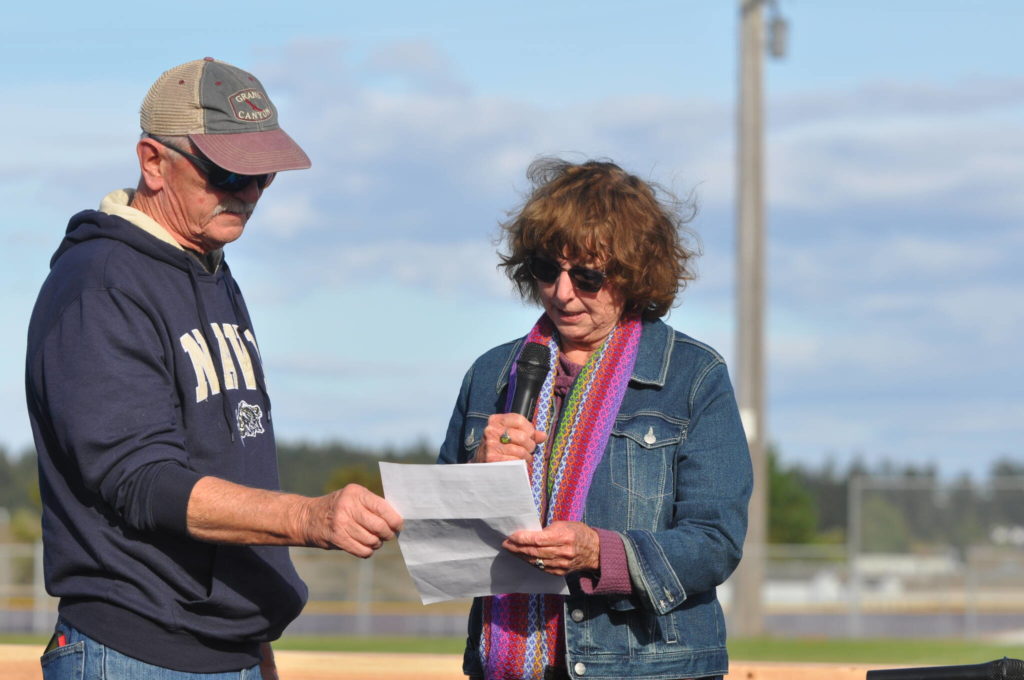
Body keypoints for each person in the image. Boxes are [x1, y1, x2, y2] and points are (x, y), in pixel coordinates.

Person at [25, 57, 403, 680]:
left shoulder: (209, 266)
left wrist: (254, 638)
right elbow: (143, 480)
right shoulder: (100, 284)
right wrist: (310, 518)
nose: (249, 194)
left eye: (263, 177)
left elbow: (227, 463)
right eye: (228, 172)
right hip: (136, 652)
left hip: (227, 650)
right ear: (152, 161)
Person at [437, 158, 752, 680]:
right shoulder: (492, 373)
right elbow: (440, 541)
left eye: (586, 276)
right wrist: (476, 471)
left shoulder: (693, 376)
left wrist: (600, 553)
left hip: (650, 668)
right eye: (546, 270)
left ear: (633, 273)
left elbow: (716, 542)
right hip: (505, 666)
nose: (562, 293)